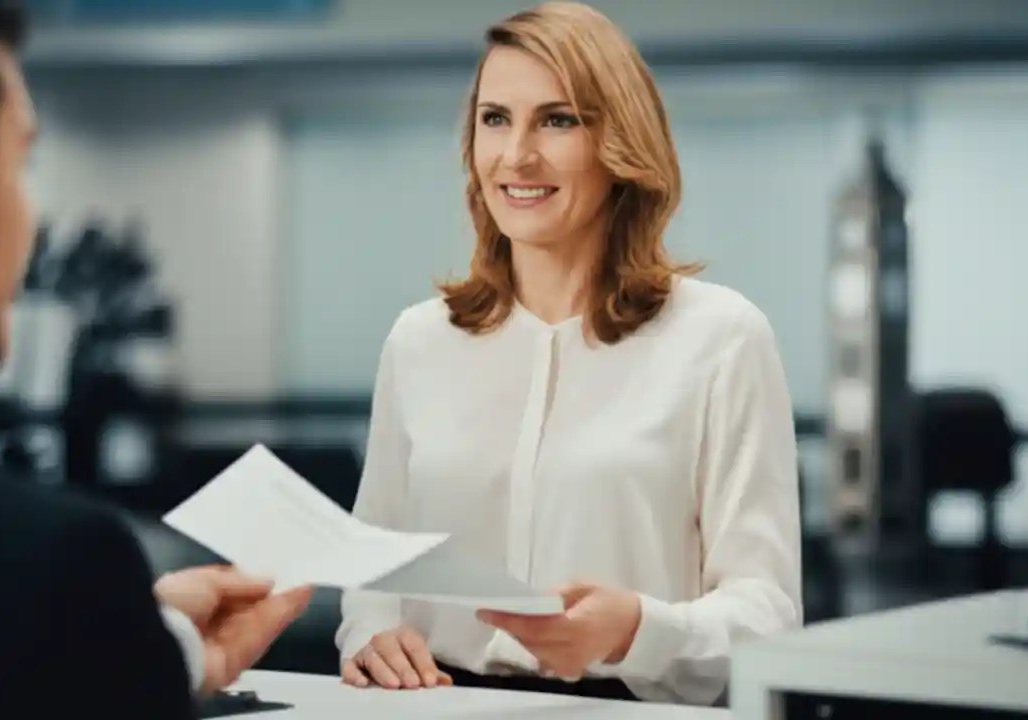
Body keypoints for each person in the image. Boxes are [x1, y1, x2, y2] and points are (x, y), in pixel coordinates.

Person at [336, 1, 801, 706]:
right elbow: (373, 568)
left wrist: (638, 629)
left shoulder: (722, 338)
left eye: (557, 120)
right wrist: (367, 632)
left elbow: (768, 616)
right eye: (495, 119)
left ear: (620, 143)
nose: (517, 155)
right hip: (434, 703)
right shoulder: (418, 341)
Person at [0, 1, 311, 715]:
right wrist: (92, 621)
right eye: (20, 164)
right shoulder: (51, 565)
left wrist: (140, 642)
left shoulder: (38, 594)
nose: (28, 221)